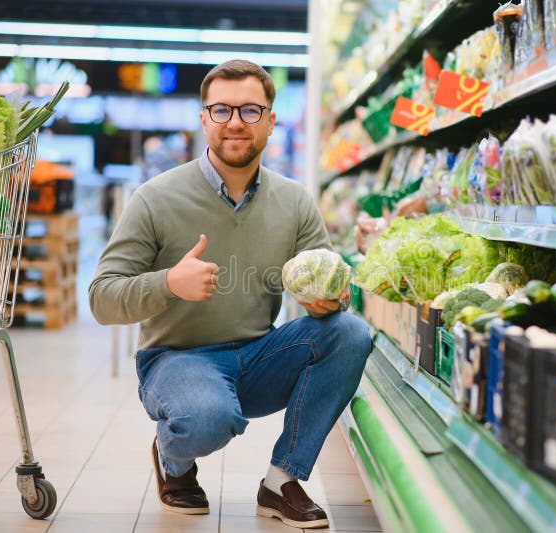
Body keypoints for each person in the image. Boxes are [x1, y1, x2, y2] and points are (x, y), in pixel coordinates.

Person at [89, 59, 372, 529]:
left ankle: (281, 481)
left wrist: (327, 299)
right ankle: (172, 460)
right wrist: (168, 283)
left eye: (249, 110)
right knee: (207, 417)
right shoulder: (155, 198)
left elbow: (327, 280)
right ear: (204, 119)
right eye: (221, 110)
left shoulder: (295, 201)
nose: (235, 122)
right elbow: (101, 297)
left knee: (349, 332)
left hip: (258, 354)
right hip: (177, 360)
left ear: (270, 121)